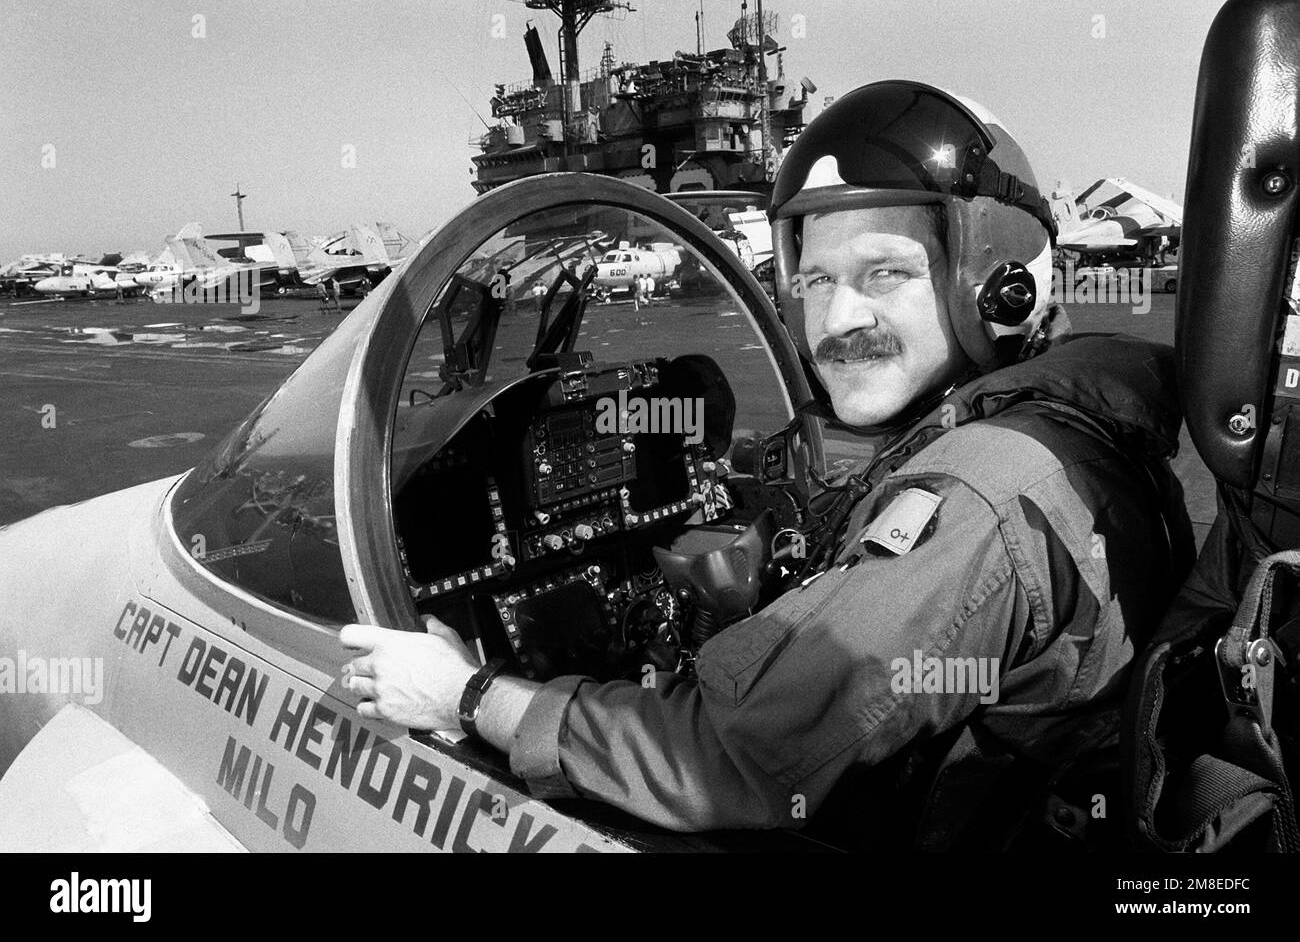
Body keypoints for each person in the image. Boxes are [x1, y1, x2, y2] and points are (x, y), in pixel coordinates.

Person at [340, 81, 1194, 848]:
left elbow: (728, 758)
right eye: (816, 281)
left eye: (885, 273)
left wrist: (464, 696)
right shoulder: (1065, 435)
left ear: (997, 283)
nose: (838, 320)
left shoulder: (979, 493)